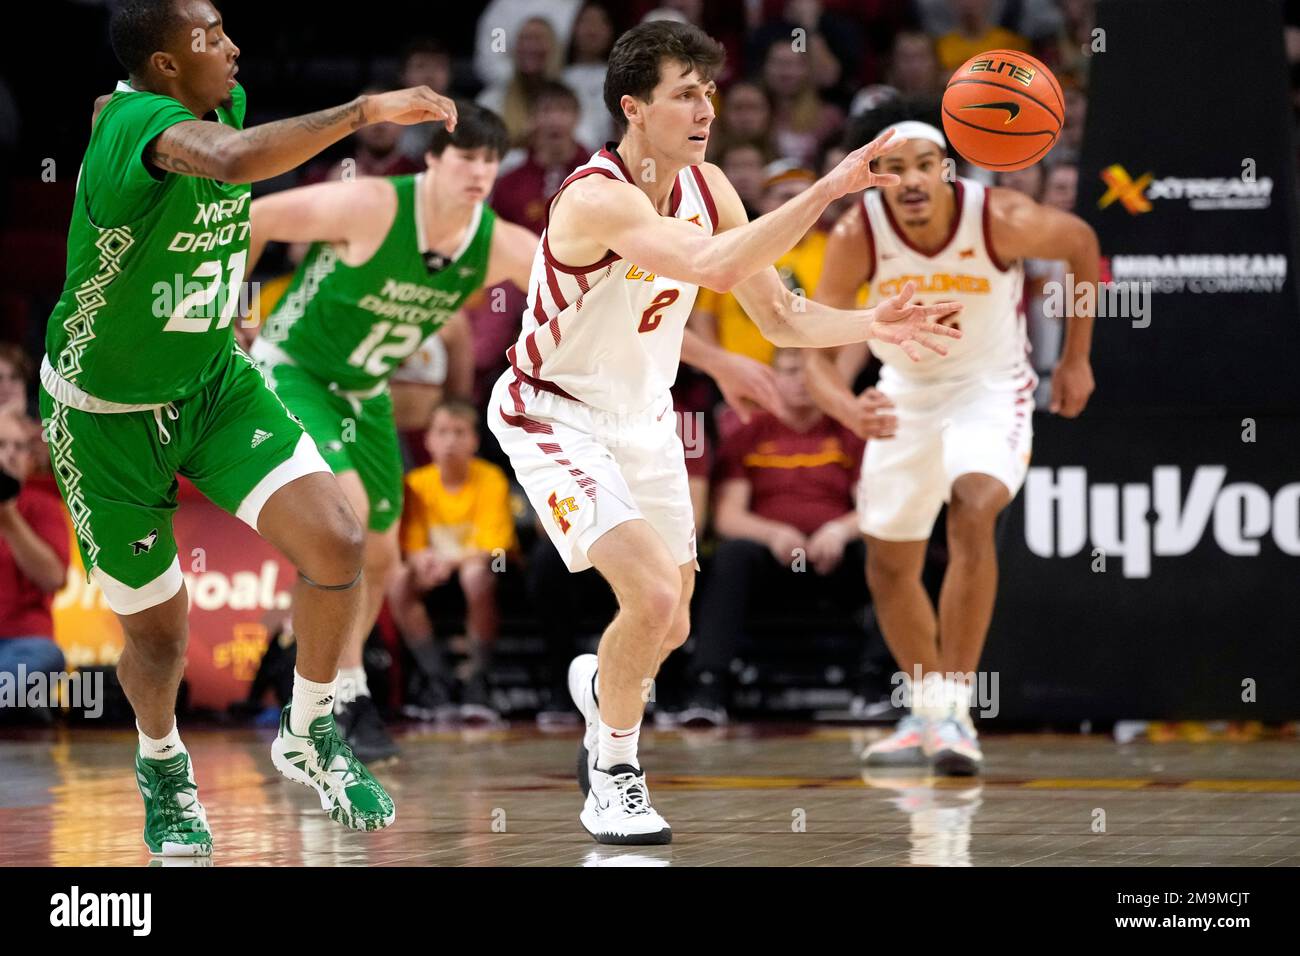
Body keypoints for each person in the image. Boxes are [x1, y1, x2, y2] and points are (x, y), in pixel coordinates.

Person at [486, 19, 962, 844]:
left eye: (709, 90)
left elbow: (778, 316)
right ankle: (614, 771)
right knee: (653, 595)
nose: (705, 107)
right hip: (551, 409)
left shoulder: (713, 191)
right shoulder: (595, 195)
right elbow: (708, 267)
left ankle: (604, 686)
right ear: (634, 108)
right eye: (685, 93)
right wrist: (825, 190)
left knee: (669, 627)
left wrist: (872, 323)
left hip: (645, 418)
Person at [41, 0, 457, 854]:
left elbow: (220, 224)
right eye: (209, 38)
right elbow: (227, 165)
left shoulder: (213, 100)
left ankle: (309, 732)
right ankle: (163, 764)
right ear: (161, 67)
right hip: (104, 420)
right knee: (160, 640)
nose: (232, 47)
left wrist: (232, 304)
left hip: (214, 384)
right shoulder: (144, 123)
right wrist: (362, 111)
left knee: (340, 539)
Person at [805, 115, 1098, 776]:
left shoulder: (1001, 217)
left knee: (973, 506)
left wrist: (1076, 359)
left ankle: (956, 711)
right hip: (904, 391)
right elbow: (813, 347)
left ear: (948, 170)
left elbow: (1081, 242)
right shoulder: (858, 237)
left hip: (989, 387)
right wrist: (849, 408)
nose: (909, 180)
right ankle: (928, 711)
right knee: (888, 562)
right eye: (892, 168)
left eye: (923, 165)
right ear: (874, 180)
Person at [245, 105, 538, 761]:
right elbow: (255, 217)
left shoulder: (498, 244)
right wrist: (226, 315)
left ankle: (342, 691)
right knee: (344, 522)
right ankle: (329, 699)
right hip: (293, 371)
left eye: (491, 162)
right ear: (431, 160)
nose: (478, 173)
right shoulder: (373, 205)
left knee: (380, 555)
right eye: (466, 158)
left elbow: (583, 290)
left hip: (365, 390)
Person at [679, 348, 874, 726]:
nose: (799, 382)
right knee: (732, 555)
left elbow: (875, 508)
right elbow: (727, 516)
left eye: (808, 373)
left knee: (884, 552)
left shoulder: (850, 432)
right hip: (774, 560)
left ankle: (876, 684)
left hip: (836, 558)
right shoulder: (749, 432)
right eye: (788, 372)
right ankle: (708, 687)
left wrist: (839, 530)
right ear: (772, 378)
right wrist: (774, 534)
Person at [388, 400, 516, 720]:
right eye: (442, 432)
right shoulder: (416, 483)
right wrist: (423, 562)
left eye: (460, 433)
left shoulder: (491, 478)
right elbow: (413, 546)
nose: (450, 441)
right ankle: (438, 679)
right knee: (399, 581)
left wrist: (448, 563)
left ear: (474, 441)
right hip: (437, 577)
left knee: (475, 574)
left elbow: (494, 548)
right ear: (428, 440)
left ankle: (478, 678)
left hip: (495, 573)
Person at [0, 408, 70, 719]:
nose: (10, 455)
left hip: (22, 644)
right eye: (1, 445)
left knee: (46, 657)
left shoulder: (42, 506)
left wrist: (8, 515)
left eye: (19, 447)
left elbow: (53, 579)